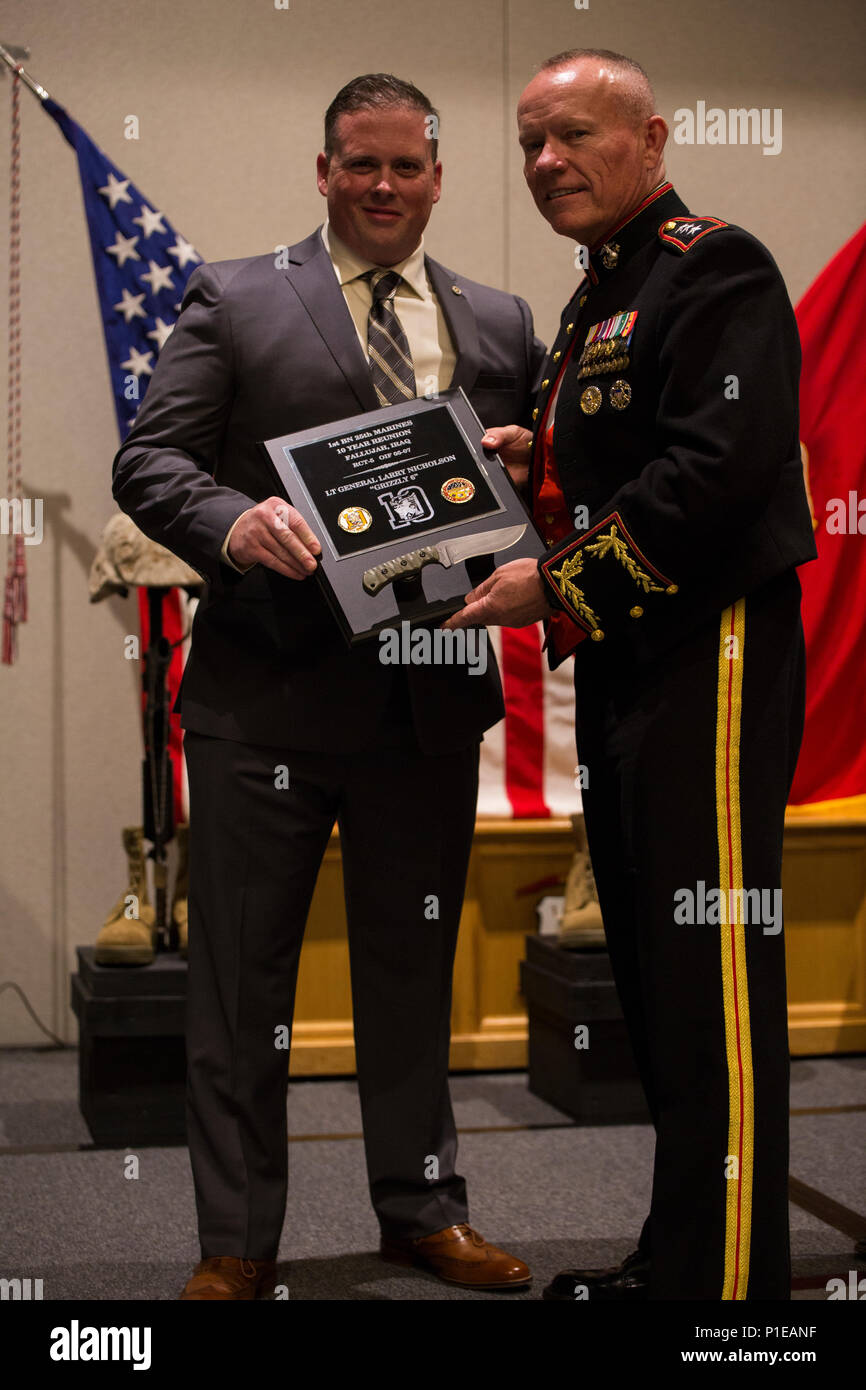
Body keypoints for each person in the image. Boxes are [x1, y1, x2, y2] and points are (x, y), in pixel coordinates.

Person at [112, 72, 545, 1300]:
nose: (383, 186)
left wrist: (529, 504)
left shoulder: (500, 321)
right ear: (322, 170)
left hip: (430, 691)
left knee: (408, 969)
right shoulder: (237, 295)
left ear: (437, 177)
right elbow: (151, 459)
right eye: (361, 163)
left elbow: (520, 500)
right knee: (242, 980)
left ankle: (421, 1211)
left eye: (407, 166)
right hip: (268, 700)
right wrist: (232, 518)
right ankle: (238, 1240)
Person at [446, 49, 817, 1300]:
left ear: (650, 140)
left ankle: (727, 1291)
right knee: (661, 981)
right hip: (633, 662)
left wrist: (551, 582)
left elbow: (716, 467)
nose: (546, 160)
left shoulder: (711, 263)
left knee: (709, 975)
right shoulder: (600, 292)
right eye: (528, 143)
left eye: (574, 136)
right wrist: (531, 450)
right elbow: (630, 449)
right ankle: (679, 1256)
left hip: (706, 656)